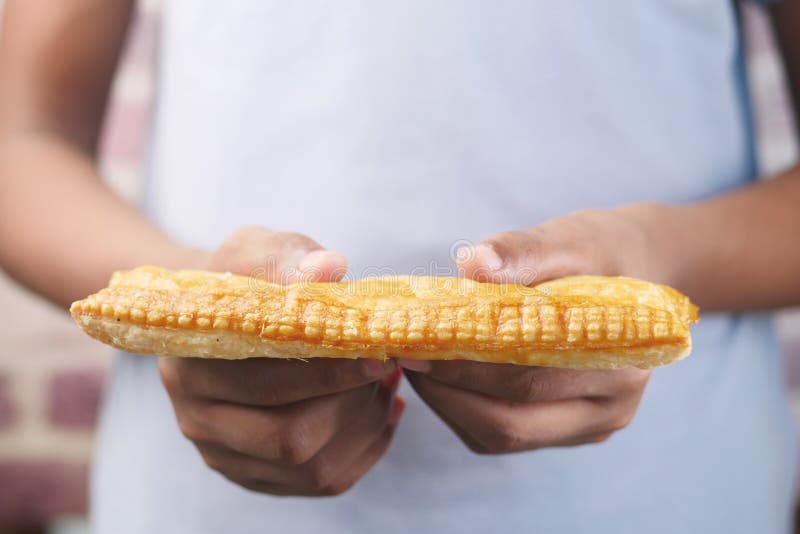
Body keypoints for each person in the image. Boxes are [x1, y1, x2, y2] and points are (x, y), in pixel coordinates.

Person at [1, 1, 799, 532]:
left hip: (665, 494)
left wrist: (662, 255)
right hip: (204, 502)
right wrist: (192, 290)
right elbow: (18, 141)